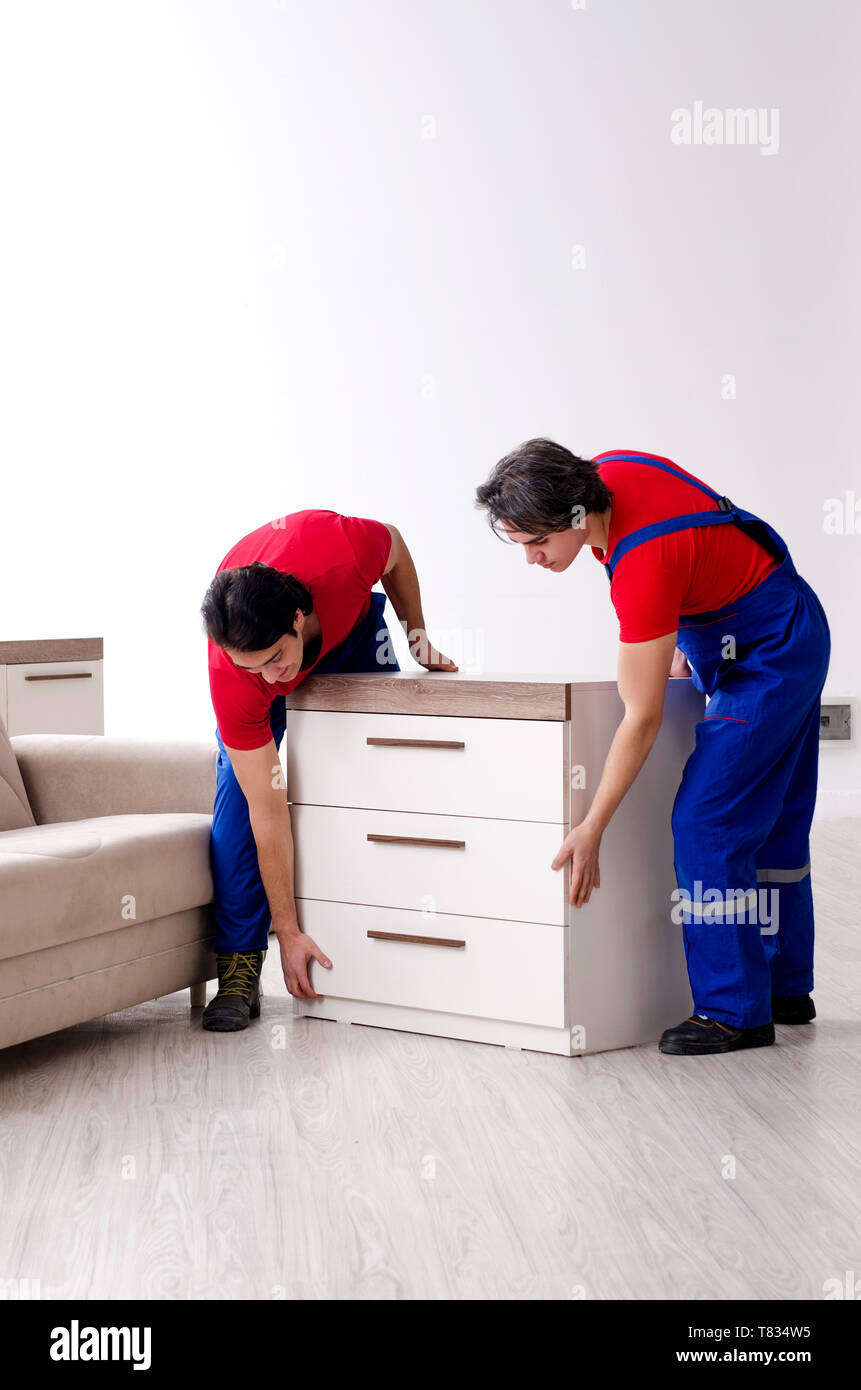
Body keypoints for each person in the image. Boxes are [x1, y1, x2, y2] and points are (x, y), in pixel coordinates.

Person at [475, 440, 831, 1057]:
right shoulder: (606, 472)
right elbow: (710, 544)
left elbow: (641, 718)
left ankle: (733, 1010)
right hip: (786, 624)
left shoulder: (642, 561)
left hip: (768, 657)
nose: (531, 558)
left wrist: (592, 825)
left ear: (578, 515)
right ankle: (783, 987)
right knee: (776, 825)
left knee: (707, 822)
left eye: (536, 542)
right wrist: (680, 646)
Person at [199, 509, 457, 1031]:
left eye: (275, 658)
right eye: (254, 666)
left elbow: (397, 547)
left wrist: (416, 637)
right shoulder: (240, 676)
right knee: (237, 814)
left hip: (352, 635)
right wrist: (288, 931)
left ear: (297, 617)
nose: (273, 678)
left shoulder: (339, 552)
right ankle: (239, 969)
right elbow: (268, 814)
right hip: (252, 690)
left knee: (380, 769)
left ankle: (398, 925)